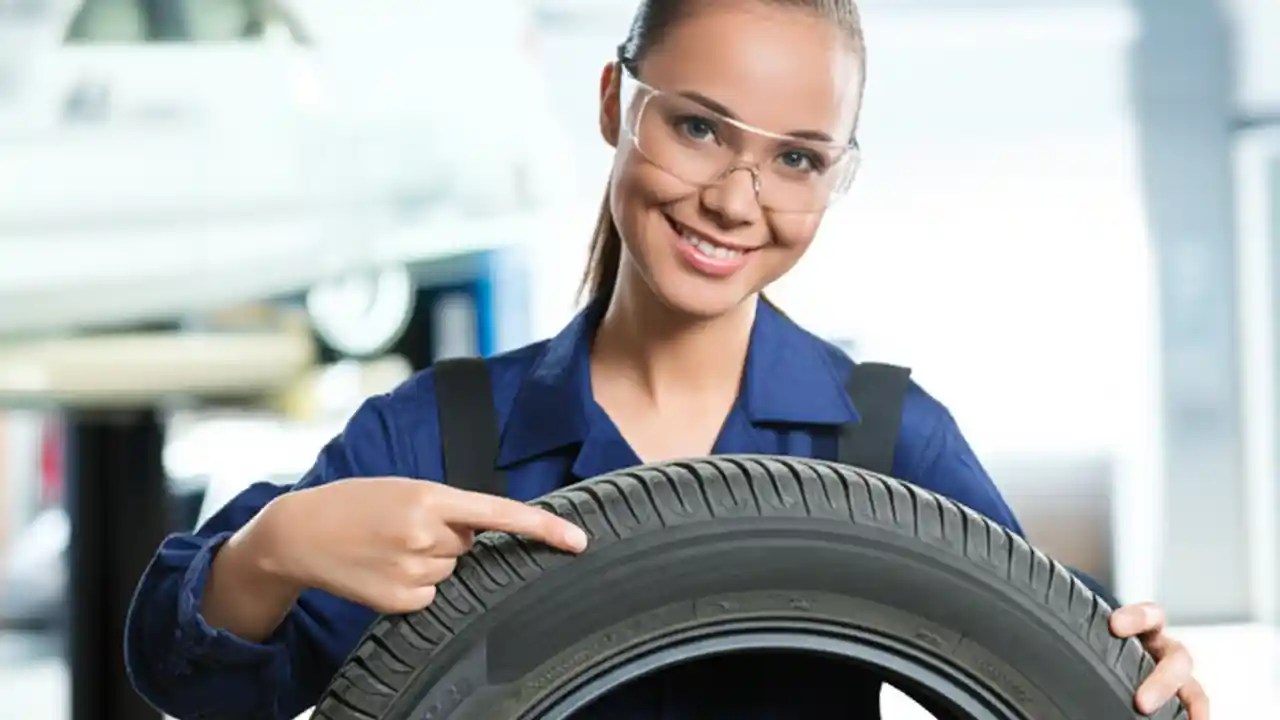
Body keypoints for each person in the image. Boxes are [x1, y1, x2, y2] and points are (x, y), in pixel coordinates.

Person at [125, 1, 1210, 718]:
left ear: (836, 176)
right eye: (697, 128)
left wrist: (1142, 672)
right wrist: (270, 550)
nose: (735, 199)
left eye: (795, 158)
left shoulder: (884, 442)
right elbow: (201, 688)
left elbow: (1032, 649)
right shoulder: (439, 438)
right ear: (614, 104)